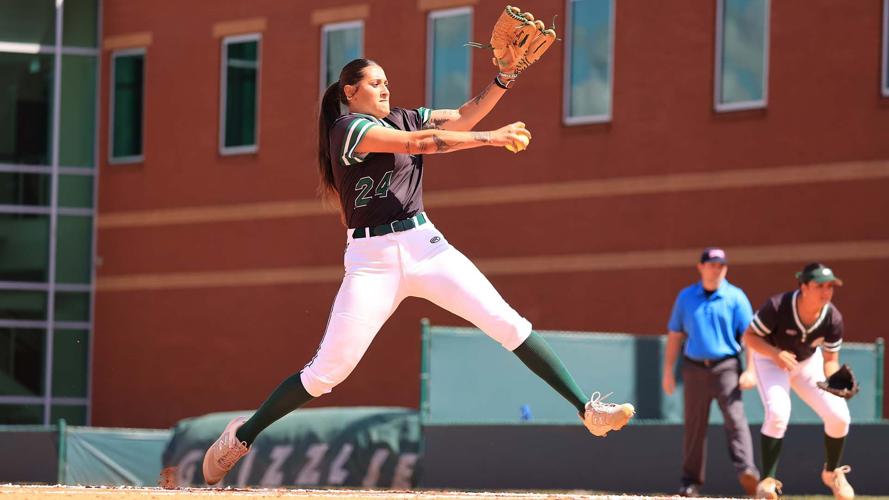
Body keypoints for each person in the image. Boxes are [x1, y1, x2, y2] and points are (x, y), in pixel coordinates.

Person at [201, 58, 635, 486]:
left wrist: (504, 78)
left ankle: (588, 410)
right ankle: (242, 435)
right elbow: (420, 143)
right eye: (375, 83)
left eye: (387, 81)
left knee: (507, 323)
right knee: (326, 373)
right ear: (350, 92)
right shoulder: (347, 129)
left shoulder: (405, 116)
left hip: (425, 246)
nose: (385, 88)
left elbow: (462, 117)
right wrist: (491, 138)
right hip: (371, 261)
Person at [743, 262, 853, 500]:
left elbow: (830, 360)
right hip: (770, 360)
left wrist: (835, 379)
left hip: (807, 364)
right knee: (778, 412)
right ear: (803, 286)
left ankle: (832, 473)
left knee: (840, 416)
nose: (826, 291)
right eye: (819, 286)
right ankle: (767, 481)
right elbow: (749, 336)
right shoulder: (778, 306)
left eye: (830, 286)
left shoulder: (832, 317)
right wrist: (775, 353)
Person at [662, 248, 760, 497]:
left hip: (726, 367)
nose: (716, 269)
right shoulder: (686, 297)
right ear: (701, 267)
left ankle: (747, 471)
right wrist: (668, 371)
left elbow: (750, 335)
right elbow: (675, 334)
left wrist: (751, 369)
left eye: (721, 265)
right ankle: (690, 483)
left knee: (735, 419)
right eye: (712, 264)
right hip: (694, 367)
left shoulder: (736, 296)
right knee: (694, 426)